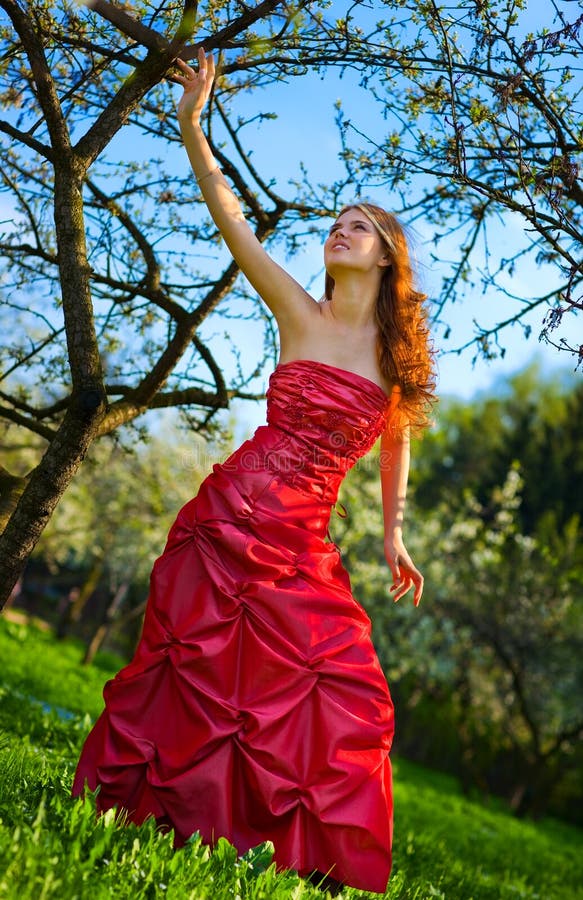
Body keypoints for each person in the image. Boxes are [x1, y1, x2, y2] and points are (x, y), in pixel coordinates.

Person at [73, 48, 436, 895]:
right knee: (199, 673)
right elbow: (229, 216)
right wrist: (192, 125)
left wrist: (392, 534)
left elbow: (394, 440)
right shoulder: (296, 310)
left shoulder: (393, 359)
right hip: (231, 517)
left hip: (300, 538)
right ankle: (164, 811)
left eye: (358, 226)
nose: (339, 230)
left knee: (339, 680)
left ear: (386, 257)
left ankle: (300, 848)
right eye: (335, 222)